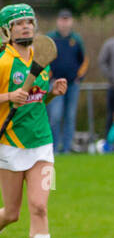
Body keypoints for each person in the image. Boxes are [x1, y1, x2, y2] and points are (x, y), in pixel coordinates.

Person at [0, 4, 69, 238]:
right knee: (12, 213)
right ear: (7, 31)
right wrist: (7, 95)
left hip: (43, 146)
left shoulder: (42, 60)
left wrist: (51, 93)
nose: (26, 27)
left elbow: (36, 103)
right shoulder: (3, 62)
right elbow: (14, 100)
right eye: (19, 24)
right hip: (10, 146)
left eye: (29, 22)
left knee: (40, 206)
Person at [45, 10, 87, 154]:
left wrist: (79, 77)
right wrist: (49, 77)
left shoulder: (76, 39)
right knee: (55, 117)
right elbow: (43, 59)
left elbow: (84, 60)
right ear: (58, 21)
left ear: (71, 21)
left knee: (70, 117)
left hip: (72, 85)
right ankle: (54, 148)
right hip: (55, 84)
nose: (64, 22)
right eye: (62, 19)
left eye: (67, 19)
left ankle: (67, 148)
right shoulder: (50, 38)